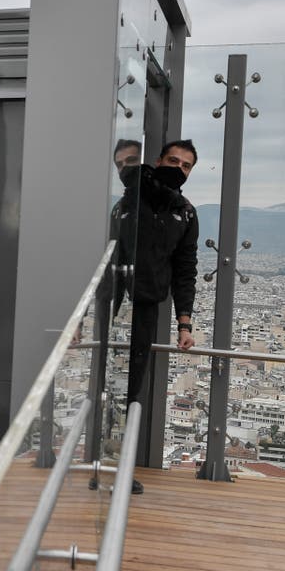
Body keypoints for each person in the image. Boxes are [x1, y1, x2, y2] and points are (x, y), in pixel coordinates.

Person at [109, 139, 199, 490]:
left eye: (186, 166)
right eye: (172, 161)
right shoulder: (131, 200)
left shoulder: (186, 213)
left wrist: (184, 323)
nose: (178, 169)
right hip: (113, 305)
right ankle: (107, 464)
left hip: (145, 309)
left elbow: (184, 268)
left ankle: (118, 469)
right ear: (158, 159)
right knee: (109, 389)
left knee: (130, 390)